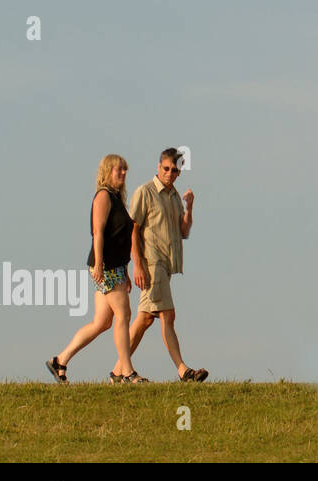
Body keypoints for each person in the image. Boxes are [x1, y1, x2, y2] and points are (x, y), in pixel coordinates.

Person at [47, 154, 149, 383]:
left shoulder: (116, 198)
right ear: (107, 171)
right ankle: (126, 372)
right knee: (124, 315)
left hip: (116, 267)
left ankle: (60, 360)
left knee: (102, 322)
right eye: (118, 170)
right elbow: (98, 232)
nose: (123, 173)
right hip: (106, 266)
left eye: (125, 170)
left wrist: (124, 270)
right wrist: (100, 265)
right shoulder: (103, 196)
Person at [126, 148, 208, 382]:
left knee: (145, 319)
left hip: (167, 264)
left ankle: (118, 370)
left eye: (174, 170)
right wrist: (138, 264)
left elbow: (184, 231)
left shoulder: (174, 197)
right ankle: (183, 370)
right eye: (166, 169)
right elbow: (134, 229)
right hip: (152, 263)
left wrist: (189, 207)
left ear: (179, 172)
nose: (170, 174)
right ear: (159, 166)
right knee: (168, 315)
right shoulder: (145, 192)